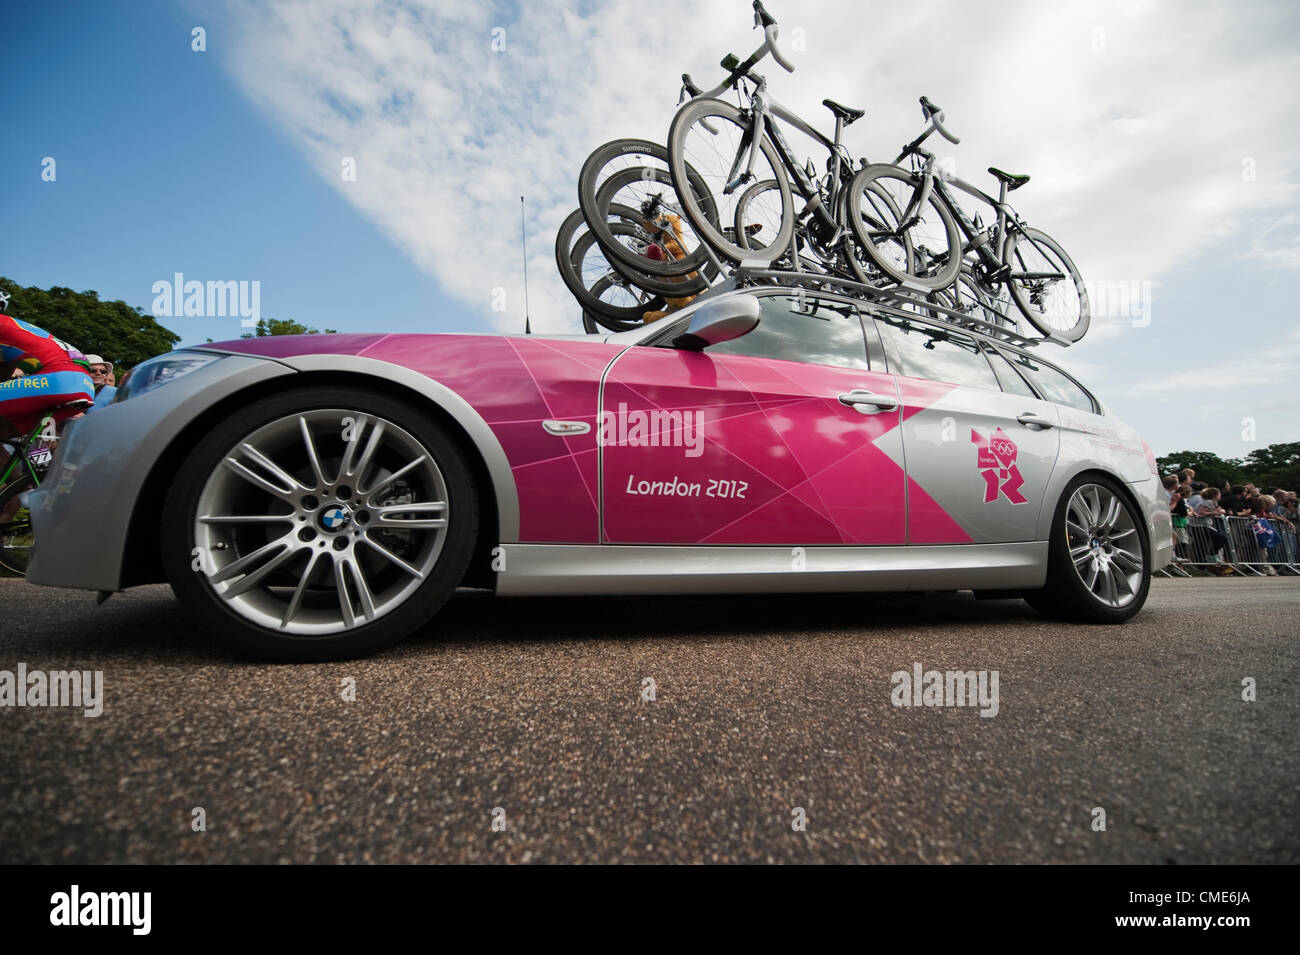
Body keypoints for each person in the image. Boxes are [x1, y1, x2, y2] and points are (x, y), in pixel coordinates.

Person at [0, 313, 94, 439]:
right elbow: (4, 371)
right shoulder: (14, 326)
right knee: (3, 432)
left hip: (59, 379)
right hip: (86, 387)